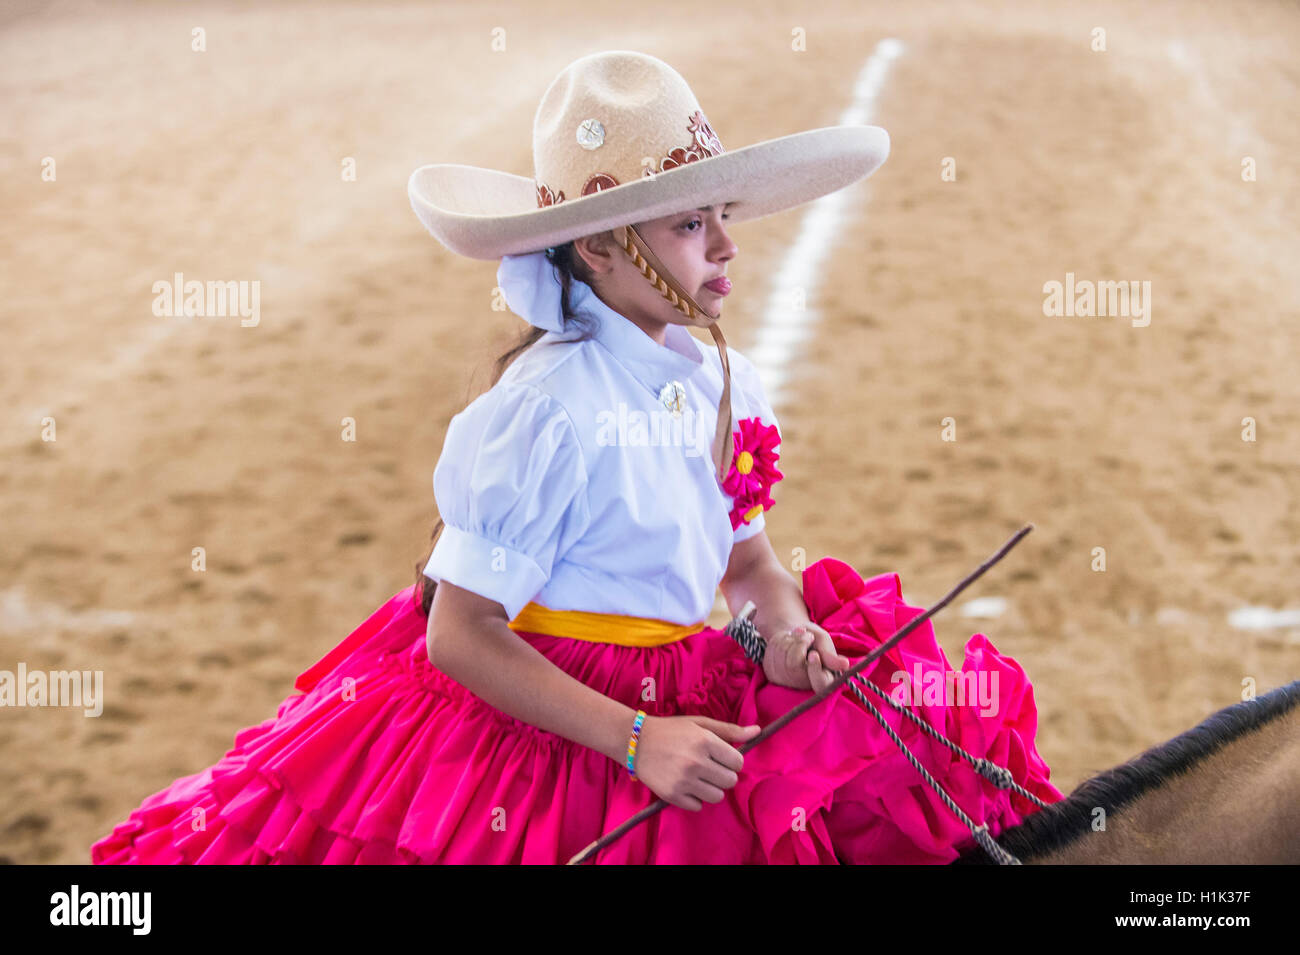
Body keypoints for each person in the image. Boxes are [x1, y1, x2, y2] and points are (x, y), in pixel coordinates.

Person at [90, 50, 1063, 865]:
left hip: (682, 691)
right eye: (690, 223)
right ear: (599, 250)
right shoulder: (546, 408)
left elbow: (748, 561)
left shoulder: (723, 378)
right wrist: (635, 738)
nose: (726, 245)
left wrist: (784, 630)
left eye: (722, 213)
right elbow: (461, 632)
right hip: (559, 726)